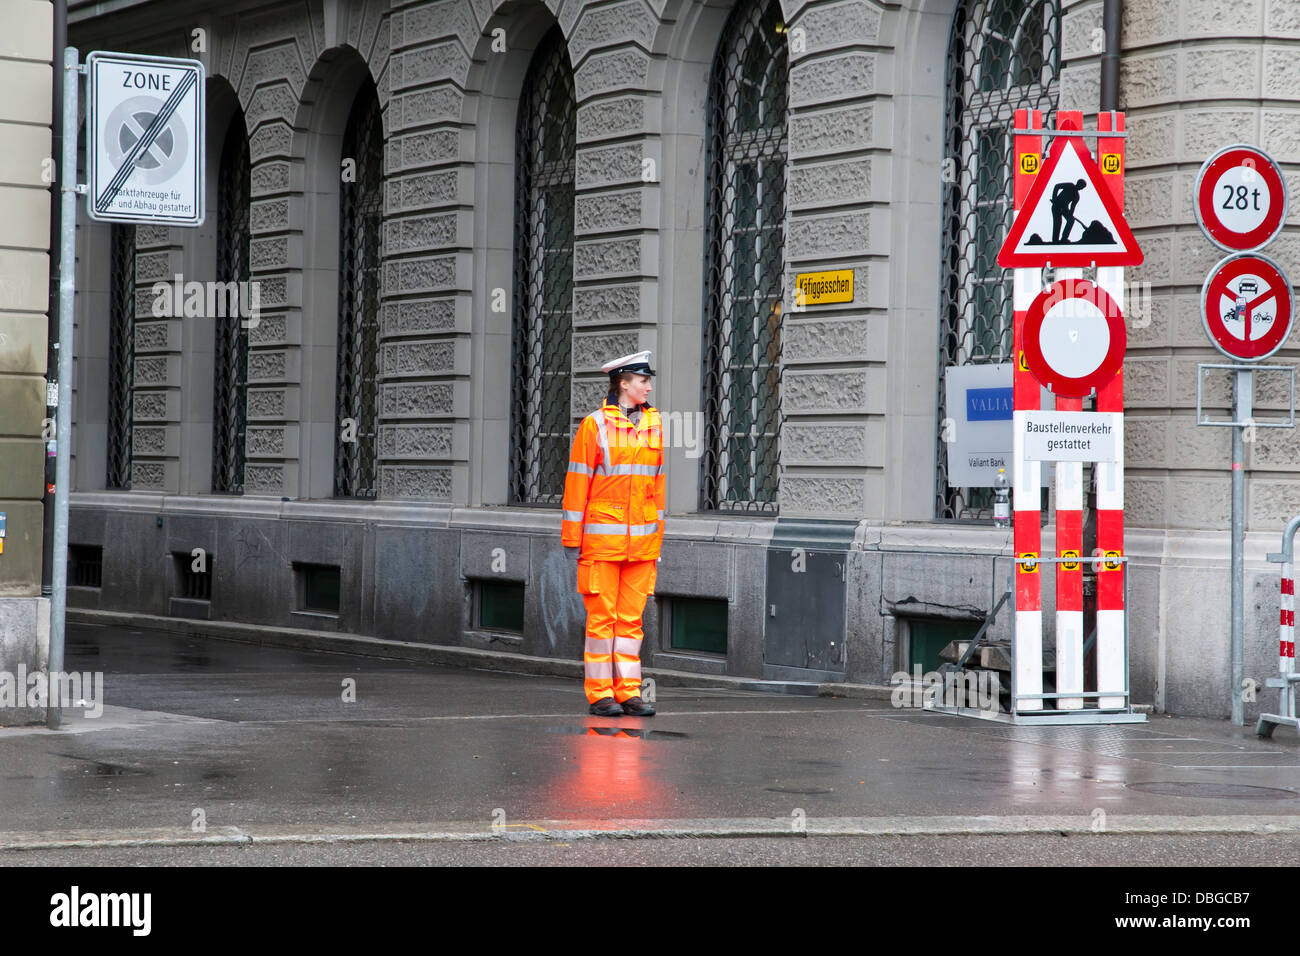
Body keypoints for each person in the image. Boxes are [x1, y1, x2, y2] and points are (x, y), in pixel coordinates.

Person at [561, 350, 665, 717]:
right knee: (602, 620)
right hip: (601, 543)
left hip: (641, 545)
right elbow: (576, 483)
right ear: (623, 383)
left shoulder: (654, 424)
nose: (649, 386)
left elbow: (657, 488)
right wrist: (572, 540)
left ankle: (630, 693)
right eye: (643, 380)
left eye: (648, 381)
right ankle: (600, 694)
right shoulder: (595, 425)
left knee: (631, 622)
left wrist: (657, 540)